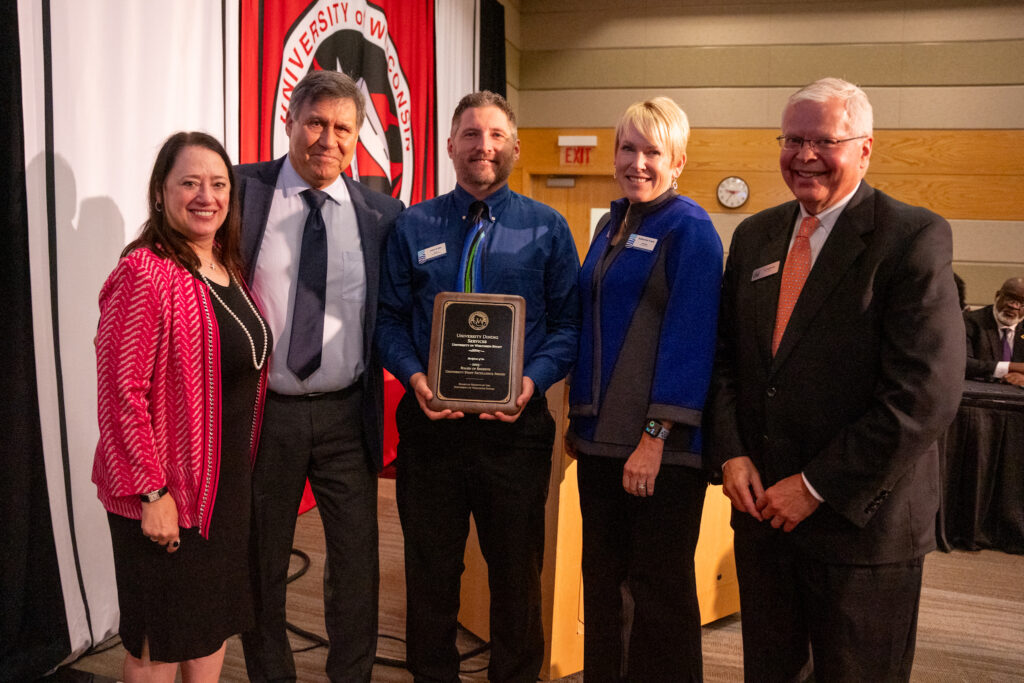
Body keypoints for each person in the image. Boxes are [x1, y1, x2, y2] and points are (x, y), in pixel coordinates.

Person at [706, 77, 965, 682]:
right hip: (764, 519)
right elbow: (726, 360)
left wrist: (816, 485)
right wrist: (732, 453)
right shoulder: (755, 235)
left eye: (824, 140)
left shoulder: (913, 238)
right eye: (793, 139)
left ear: (865, 148)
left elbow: (925, 395)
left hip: (862, 529)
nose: (805, 155)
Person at [376, 91, 580, 683]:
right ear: (450, 147)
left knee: (516, 578)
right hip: (430, 431)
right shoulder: (414, 225)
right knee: (430, 575)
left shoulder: (547, 228)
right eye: (470, 134)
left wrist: (529, 383)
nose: (482, 147)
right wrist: (416, 378)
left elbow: (568, 328)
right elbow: (389, 321)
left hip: (515, 435)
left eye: (495, 135)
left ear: (514, 146)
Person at [236, 70, 403, 683]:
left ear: (357, 138)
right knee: (262, 563)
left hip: (344, 413)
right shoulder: (240, 192)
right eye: (316, 122)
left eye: (343, 128)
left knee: (357, 563)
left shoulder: (382, 214)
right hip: (266, 412)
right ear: (290, 120)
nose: (327, 139)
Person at [92, 131, 270, 681]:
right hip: (169, 495)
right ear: (161, 191)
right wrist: (152, 492)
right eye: (189, 183)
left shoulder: (226, 265)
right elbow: (120, 391)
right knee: (160, 644)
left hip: (223, 493)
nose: (206, 196)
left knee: (209, 628)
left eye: (218, 184)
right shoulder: (145, 271)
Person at [565, 97, 722, 682]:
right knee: (604, 589)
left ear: (678, 160)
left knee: (659, 599)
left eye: (653, 150)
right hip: (601, 445)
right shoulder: (612, 224)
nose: (638, 162)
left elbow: (693, 338)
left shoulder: (691, 229)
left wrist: (655, 436)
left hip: (657, 451)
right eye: (628, 148)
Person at [964, 277, 1024, 386]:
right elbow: (963, 363)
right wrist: (1011, 367)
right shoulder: (969, 321)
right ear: (997, 296)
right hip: (979, 394)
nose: (1013, 306)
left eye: (1022, 303)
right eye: (1010, 298)